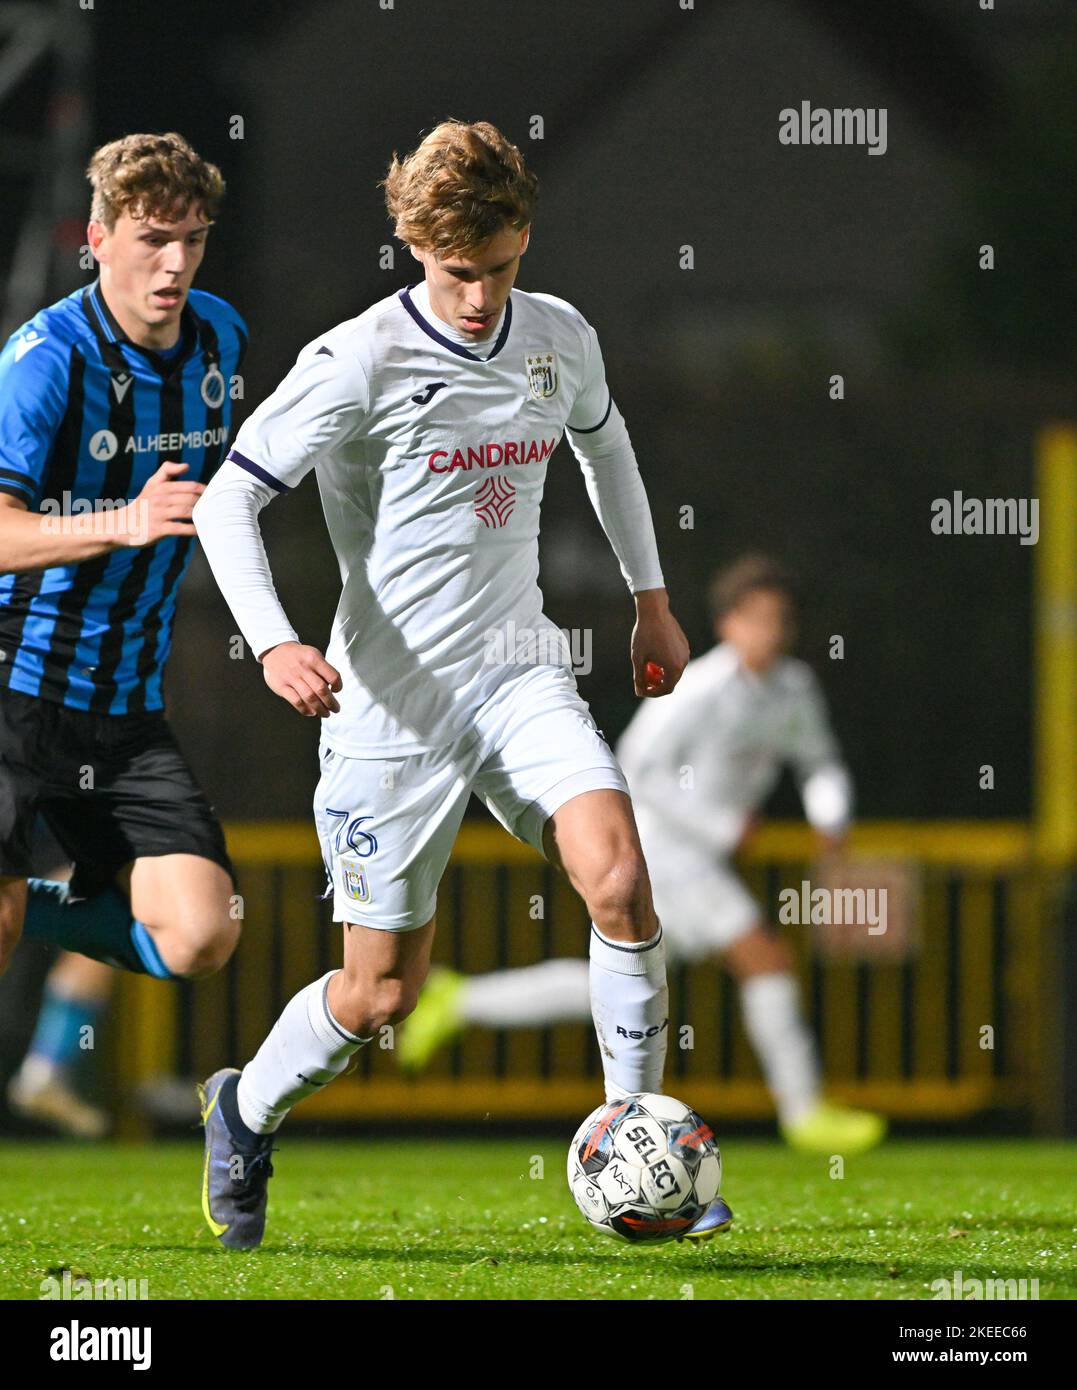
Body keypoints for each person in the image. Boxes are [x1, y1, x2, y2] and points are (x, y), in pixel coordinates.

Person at [193, 118, 731, 1248]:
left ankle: (635, 1146)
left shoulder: (558, 337)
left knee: (621, 881)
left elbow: (606, 444)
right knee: (380, 994)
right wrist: (276, 640)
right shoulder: (357, 361)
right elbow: (225, 498)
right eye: (454, 272)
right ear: (413, 249)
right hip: (386, 708)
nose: (479, 295)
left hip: (517, 674)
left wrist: (651, 598)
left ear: (523, 235)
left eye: (496, 267)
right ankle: (242, 1110)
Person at [401, 555, 886, 1156]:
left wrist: (830, 816)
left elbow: (819, 760)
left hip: (701, 858)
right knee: (766, 957)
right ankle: (804, 1112)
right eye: (756, 619)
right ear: (728, 625)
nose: (770, 632)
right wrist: (722, 824)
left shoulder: (793, 688)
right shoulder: (702, 687)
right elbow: (635, 763)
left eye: (780, 620)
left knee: (618, 983)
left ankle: (462, 1000)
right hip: (667, 848)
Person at [0, 132, 247, 985]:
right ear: (98, 240)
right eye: (151, 239)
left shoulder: (220, 338)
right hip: (13, 689)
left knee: (201, 936)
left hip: (124, 707)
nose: (174, 263)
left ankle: (20, 903)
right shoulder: (46, 361)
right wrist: (124, 520)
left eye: (193, 239)